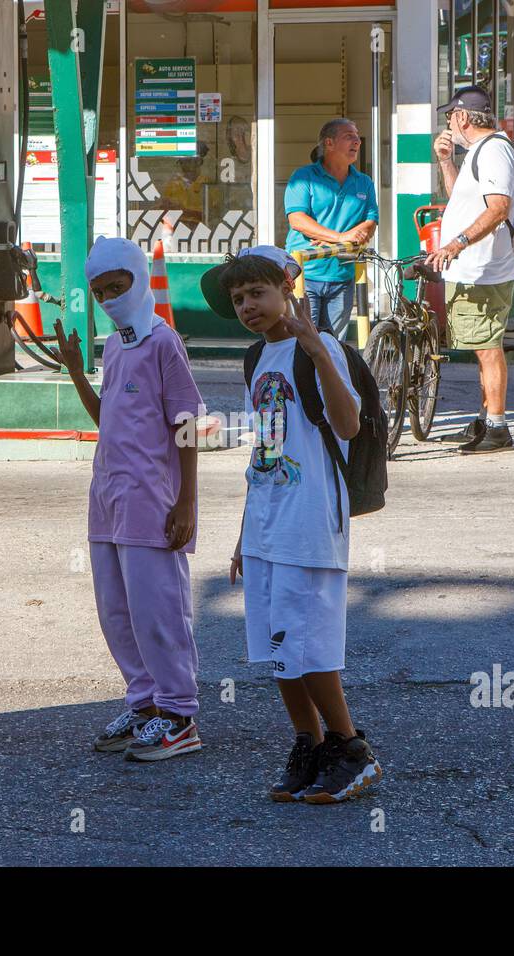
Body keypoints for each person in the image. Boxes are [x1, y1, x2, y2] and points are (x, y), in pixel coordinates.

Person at [205, 246, 383, 804]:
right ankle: (307, 742)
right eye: (238, 299)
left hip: (309, 522)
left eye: (257, 292)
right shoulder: (255, 359)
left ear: (287, 288)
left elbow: (350, 425)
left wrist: (316, 350)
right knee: (277, 647)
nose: (248, 306)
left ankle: (351, 749)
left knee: (309, 647)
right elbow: (265, 447)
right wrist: (243, 531)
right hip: (266, 523)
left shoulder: (319, 347)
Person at [54, 237, 204, 762]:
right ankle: (145, 704)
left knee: (157, 609)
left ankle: (179, 713)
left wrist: (185, 503)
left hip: (152, 501)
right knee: (117, 611)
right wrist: (76, 368)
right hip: (108, 498)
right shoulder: (116, 346)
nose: (110, 299)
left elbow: (185, 425)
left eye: (117, 287)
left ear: (139, 280)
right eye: (99, 292)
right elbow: (108, 421)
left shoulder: (164, 343)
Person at [426, 86, 514, 455]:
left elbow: (498, 208)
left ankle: (497, 427)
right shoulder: (479, 153)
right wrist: (446, 162)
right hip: (471, 269)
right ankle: (485, 421)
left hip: (484, 269)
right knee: (482, 347)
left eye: (451, 116)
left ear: (463, 117)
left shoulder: (495, 150)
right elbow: (460, 200)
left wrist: (456, 244)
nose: (449, 122)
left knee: (487, 347)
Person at [283, 118, 378, 340]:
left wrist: (359, 234)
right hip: (305, 276)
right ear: (329, 143)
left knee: (334, 345)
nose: (357, 141)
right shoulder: (303, 177)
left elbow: (371, 220)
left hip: (342, 274)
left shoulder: (364, 182)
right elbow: (297, 220)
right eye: (349, 136)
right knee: (304, 343)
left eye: (357, 136)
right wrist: (341, 237)